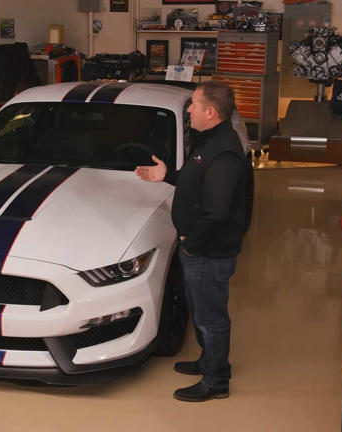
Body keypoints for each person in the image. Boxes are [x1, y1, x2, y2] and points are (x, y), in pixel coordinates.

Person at [135, 81, 253, 402]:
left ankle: (216, 380)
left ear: (210, 111)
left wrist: (190, 240)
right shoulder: (211, 140)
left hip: (208, 252)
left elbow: (216, 212)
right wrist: (168, 176)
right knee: (201, 312)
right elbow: (197, 182)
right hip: (199, 248)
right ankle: (208, 361)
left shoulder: (225, 152)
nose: (189, 110)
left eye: (194, 105)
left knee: (211, 318)